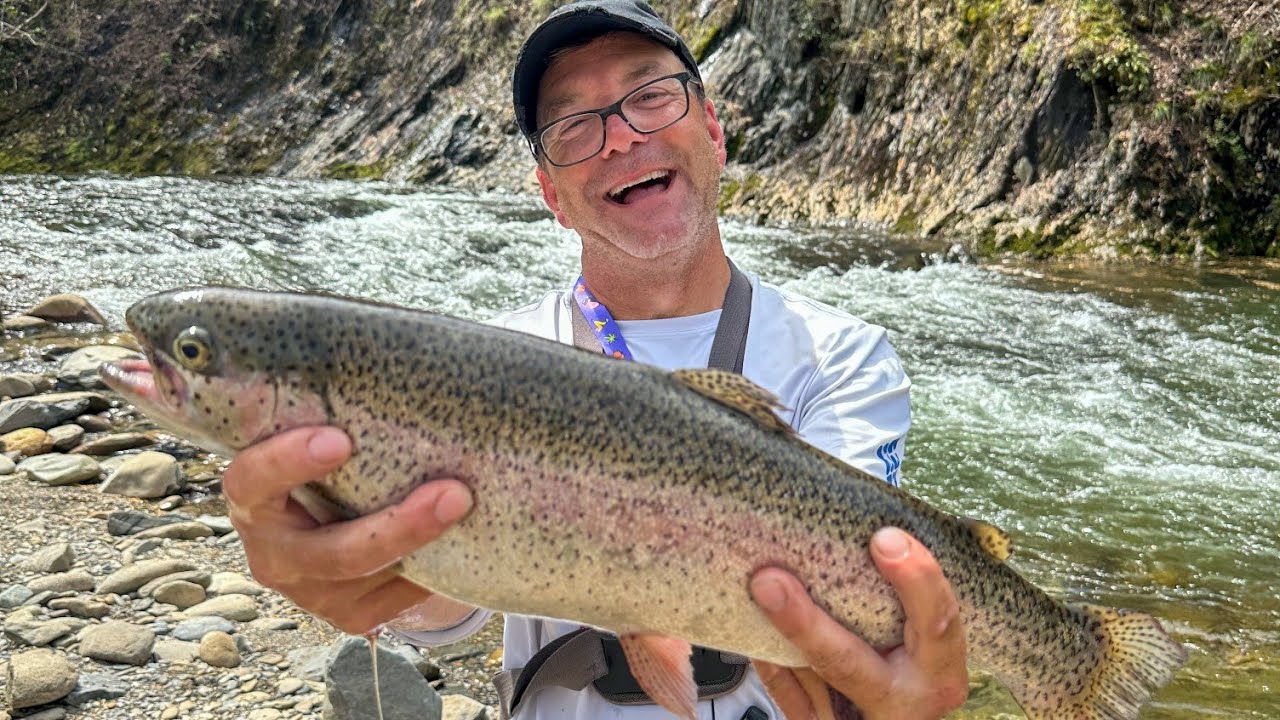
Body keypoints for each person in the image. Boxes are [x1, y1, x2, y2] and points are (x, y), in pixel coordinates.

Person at [222, 1, 970, 718]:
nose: (618, 138)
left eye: (648, 96)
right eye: (574, 126)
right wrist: (362, 572)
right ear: (551, 192)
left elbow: (873, 597)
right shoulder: (488, 364)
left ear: (711, 126)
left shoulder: (839, 355)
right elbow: (451, 604)